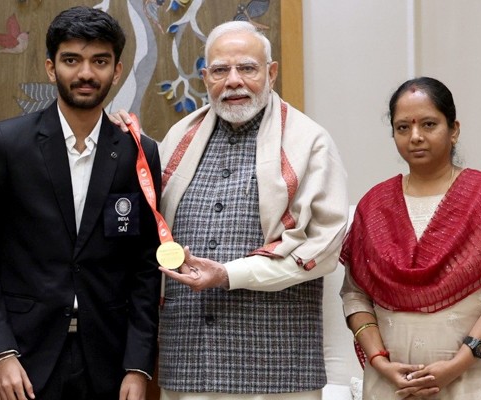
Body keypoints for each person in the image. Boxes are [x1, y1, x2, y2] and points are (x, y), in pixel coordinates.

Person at [0, 6, 162, 400]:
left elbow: (144, 267)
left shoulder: (139, 151)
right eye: (72, 60)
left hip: (108, 359)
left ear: (117, 71)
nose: (86, 73)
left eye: (100, 61)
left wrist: (138, 365)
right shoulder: (6, 144)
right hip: (21, 359)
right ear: (52, 68)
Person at [150, 21, 349, 400]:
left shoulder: (310, 144)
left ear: (271, 73)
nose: (233, 81)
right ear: (205, 78)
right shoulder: (177, 139)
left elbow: (322, 249)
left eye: (247, 68)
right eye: (221, 70)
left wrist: (229, 274)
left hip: (275, 365)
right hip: (189, 358)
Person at [340, 76, 481, 399]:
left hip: (474, 378)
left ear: (454, 129)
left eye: (428, 124)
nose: (415, 137)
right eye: (402, 128)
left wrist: (458, 364)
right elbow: (354, 294)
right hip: (392, 382)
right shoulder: (374, 205)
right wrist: (380, 362)